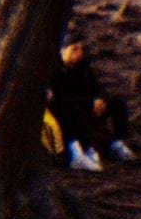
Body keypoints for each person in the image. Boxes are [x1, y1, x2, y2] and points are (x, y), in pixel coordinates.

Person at [48, 36, 132, 170]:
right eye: (74, 49)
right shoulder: (53, 69)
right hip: (68, 111)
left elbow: (97, 86)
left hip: (90, 106)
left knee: (117, 103)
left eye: (81, 49)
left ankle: (117, 142)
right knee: (74, 112)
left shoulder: (83, 66)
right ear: (62, 50)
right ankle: (81, 152)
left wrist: (100, 99)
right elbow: (59, 100)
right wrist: (89, 103)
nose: (79, 53)